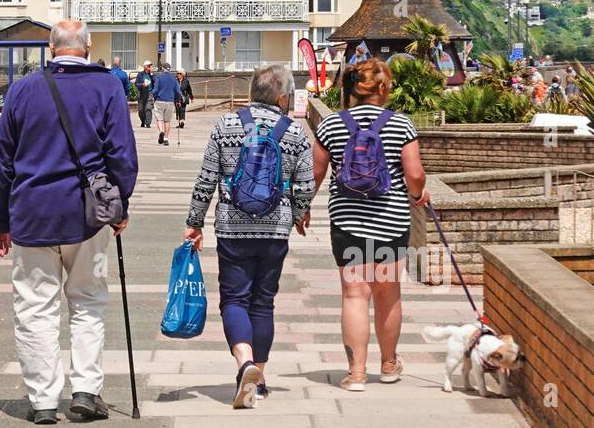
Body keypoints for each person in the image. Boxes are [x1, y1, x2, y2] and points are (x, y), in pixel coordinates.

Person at [0, 19, 138, 424]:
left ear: (52, 49)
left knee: (36, 306)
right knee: (88, 300)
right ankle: (86, 390)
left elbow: (1, 160)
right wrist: (119, 205)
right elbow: (121, 154)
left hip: (32, 212)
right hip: (87, 215)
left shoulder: (22, 89)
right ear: (87, 48)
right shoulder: (107, 87)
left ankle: (43, 400)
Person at [184, 64, 316, 408]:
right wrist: (300, 213)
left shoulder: (226, 124)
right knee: (263, 302)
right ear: (284, 97)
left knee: (234, 300)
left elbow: (206, 179)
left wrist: (195, 222)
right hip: (274, 231)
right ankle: (258, 377)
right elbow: (304, 185)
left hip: (232, 228)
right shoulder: (295, 133)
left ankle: (243, 361)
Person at [310, 59, 429, 392]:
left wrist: (301, 208)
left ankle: (357, 373)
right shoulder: (401, 124)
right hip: (391, 223)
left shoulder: (331, 124)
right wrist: (418, 194)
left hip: (347, 223)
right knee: (388, 295)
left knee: (354, 295)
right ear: (382, 88)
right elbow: (414, 175)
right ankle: (389, 364)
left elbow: (315, 175)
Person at [151, 63, 181, 146]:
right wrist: (178, 100)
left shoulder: (159, 77)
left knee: (159, 119)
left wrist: (153, 96)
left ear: (162, 68)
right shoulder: (174, 78)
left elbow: (155, 90)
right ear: (170, 69)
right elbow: (178, 91)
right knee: (167, 121)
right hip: (170, 101)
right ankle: (166, 139)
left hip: (160, 101)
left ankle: (161, 131)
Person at [134, 60, 154, 128]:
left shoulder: (152, 75)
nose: (150, 67)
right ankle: (143, 121)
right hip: (141, 93)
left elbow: (155, 82)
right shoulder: (140, 74)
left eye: (151, 66)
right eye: (149, 66)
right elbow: (136, 84)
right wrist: (143, 84)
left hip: (149, 93)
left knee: (148, 108)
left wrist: (152, 75)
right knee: (141, 110)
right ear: (145, 67)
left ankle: (148, 123)